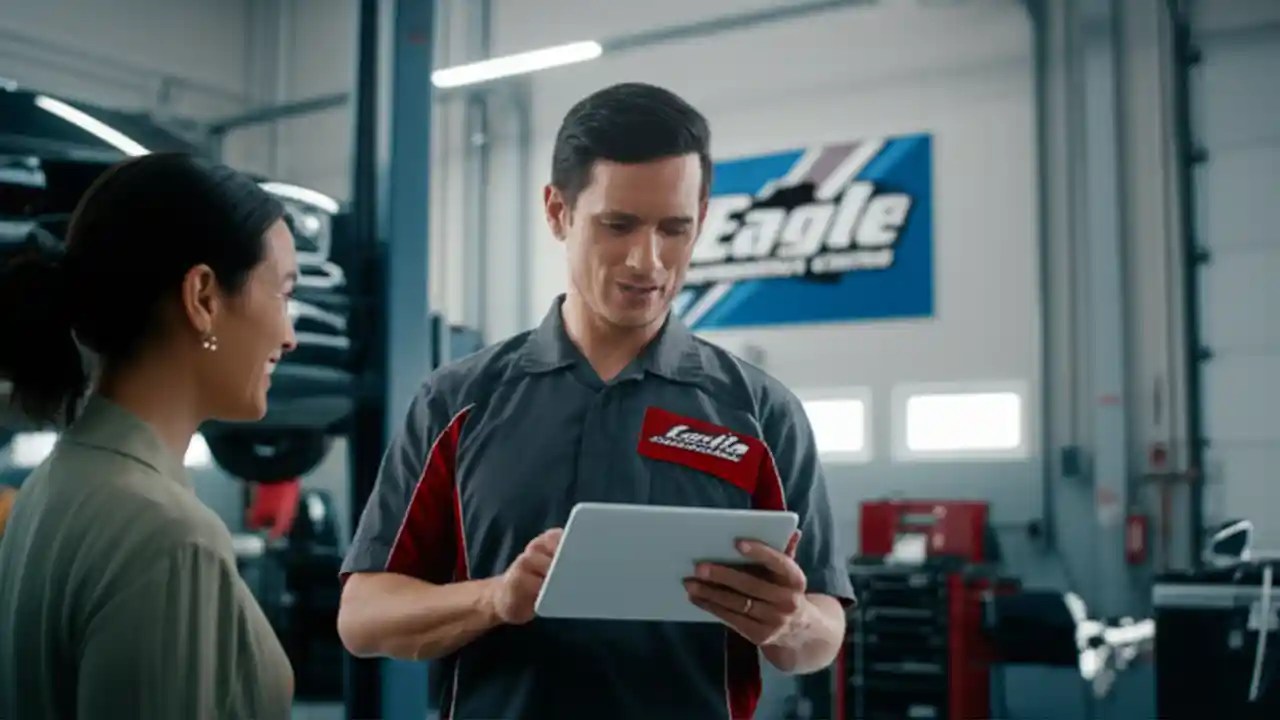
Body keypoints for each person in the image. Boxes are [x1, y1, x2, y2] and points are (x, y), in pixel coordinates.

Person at [337, 82, 855, 720]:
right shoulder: (458, 402)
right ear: (558, 212)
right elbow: (362, 619)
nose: (649, 261)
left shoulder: (761, 413)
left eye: (675, 228)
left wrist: (789, 623)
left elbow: (823, 635)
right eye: (619, 225)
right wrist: (496, 599)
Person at [0, 153, 298, 719]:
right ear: (203, 297)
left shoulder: (54, 486)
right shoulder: (172, 538)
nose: (289, 337)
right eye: (282, 295)